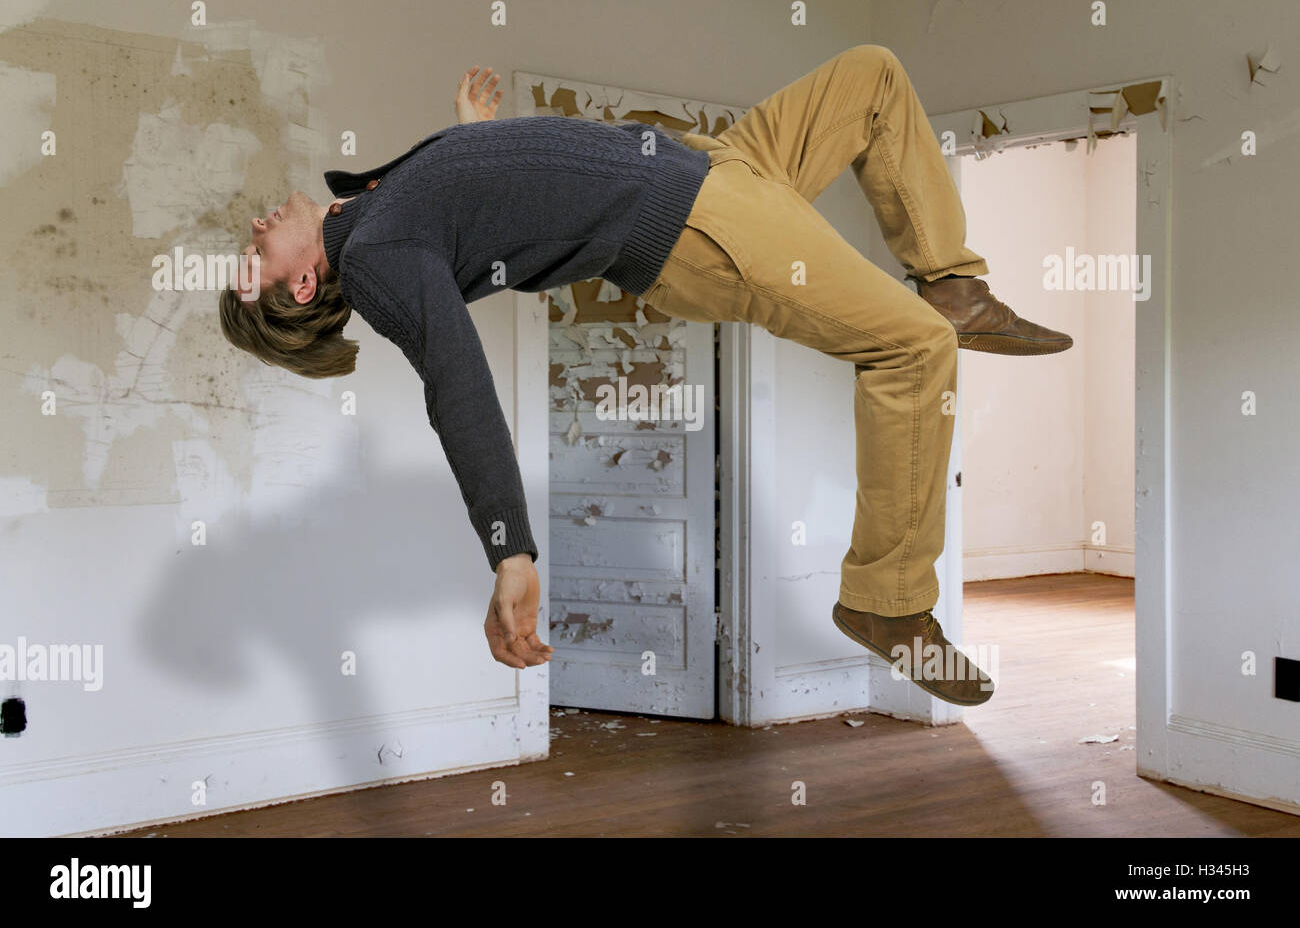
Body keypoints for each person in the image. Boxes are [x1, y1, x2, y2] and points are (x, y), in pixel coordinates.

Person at [220, 49, 1071, 705]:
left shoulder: (371, 206)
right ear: (302, 284)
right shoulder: (374, 260)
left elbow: (486, 198)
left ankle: (953, 281)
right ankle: (888, 598)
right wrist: (509, 551)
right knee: (915, 348)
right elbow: (458, 390)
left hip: (718, 163)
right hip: (694, 227)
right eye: (254, 251)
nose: (256, 224)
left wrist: (473, 128)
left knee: (874, 77)